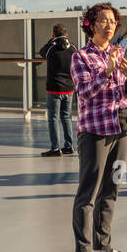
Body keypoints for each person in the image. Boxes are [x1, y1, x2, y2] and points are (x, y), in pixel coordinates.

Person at [70, 2, 127, 252]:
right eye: (103, 20)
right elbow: (85, 92)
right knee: (88, 192)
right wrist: (107, 71)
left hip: (122, 130)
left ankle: (103, 246)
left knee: (112, 189)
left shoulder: (120, 53)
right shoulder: (81, 57)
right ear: (90, 24)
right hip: (95, 132)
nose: (109, 24)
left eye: (113, 20)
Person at [39, 24, 76, 157]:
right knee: (66, 117)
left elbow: (42, 52)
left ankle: (55, 148)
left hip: (54, 88)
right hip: (69, 88)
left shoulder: (51, 48)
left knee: (53, 118)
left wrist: (51, 41)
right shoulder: (73, 48)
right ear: (66, 35)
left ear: (54, 35)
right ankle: (69, 145)